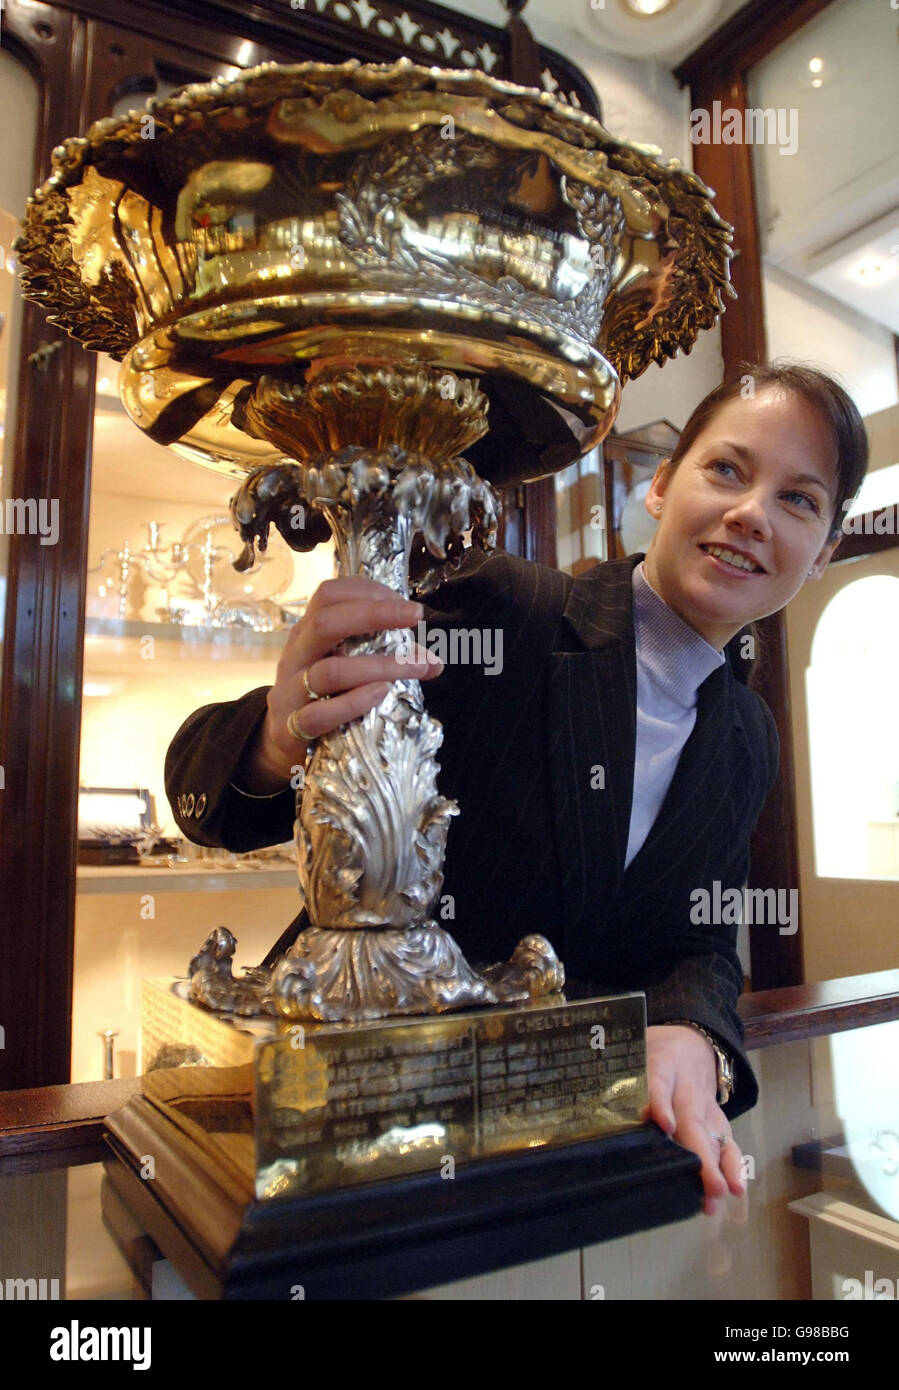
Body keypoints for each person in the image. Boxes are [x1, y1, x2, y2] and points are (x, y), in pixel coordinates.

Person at [165, 360, 868, 1217]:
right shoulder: (512, 610)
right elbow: (202, 784)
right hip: (332, 1132)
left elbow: (702, 941)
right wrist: (279, 735)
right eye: (726, 469)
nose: (750, 513)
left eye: (798, 500)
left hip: (550, 1166)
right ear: (658, 487)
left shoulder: (745, 737)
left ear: (826, 551)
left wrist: (694, 1033)